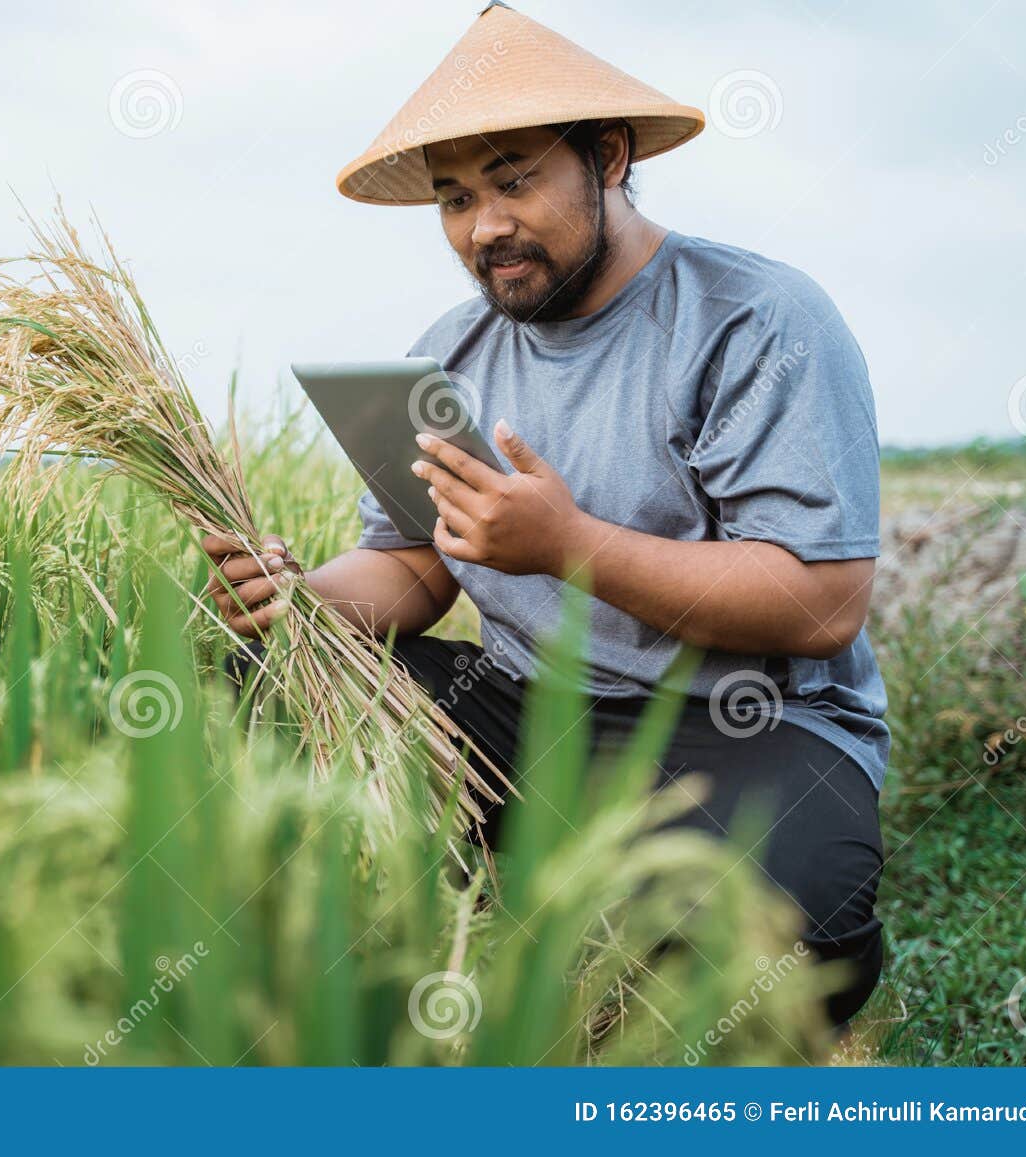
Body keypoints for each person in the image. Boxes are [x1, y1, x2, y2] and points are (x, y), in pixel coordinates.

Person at [209, 2, 886, 1025]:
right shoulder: (447, 353)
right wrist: (297, 598)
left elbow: (820, 602)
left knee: (775, 945)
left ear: (607, 157)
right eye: (454, 198)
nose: (484, 226)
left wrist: (569, 547)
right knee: (268, 677)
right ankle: (457, 908)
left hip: (742, 721)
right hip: (527, 707)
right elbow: (411, 569)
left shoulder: (757, 320)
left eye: (515, 178)